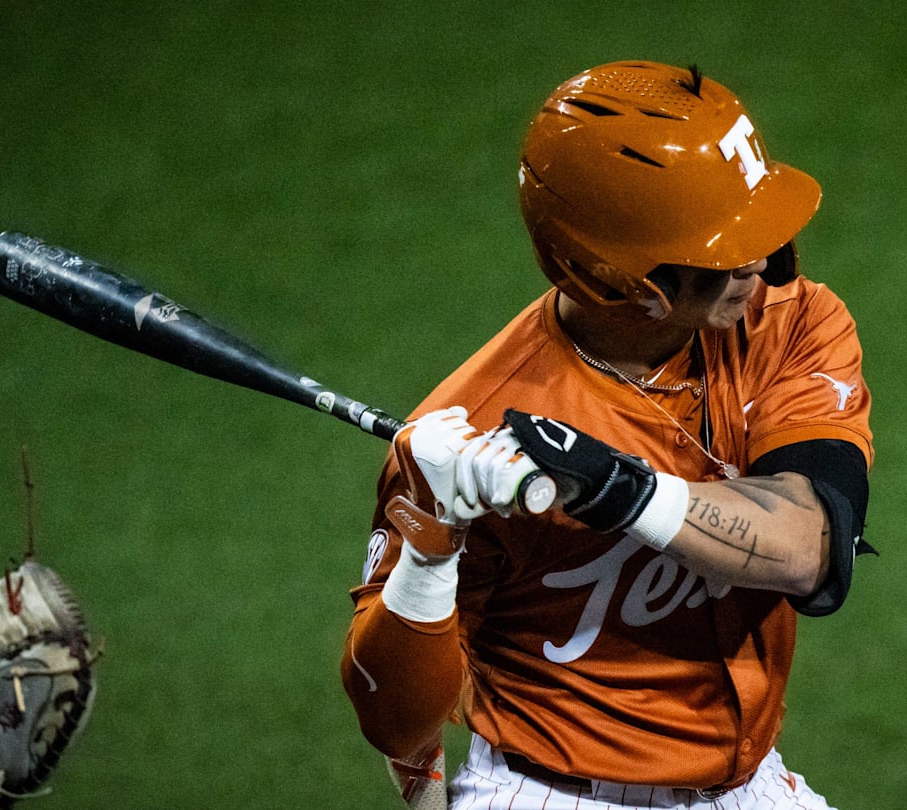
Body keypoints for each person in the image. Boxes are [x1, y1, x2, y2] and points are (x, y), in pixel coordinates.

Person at [342, 60, 875, 809]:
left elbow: (809, 549)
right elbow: (393, 717)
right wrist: (432, 545)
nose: (757, 264)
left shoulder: (790, 323)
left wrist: (617, 489)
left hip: (751, 786)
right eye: (720, 253)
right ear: (612, 275)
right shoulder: (470, 430)